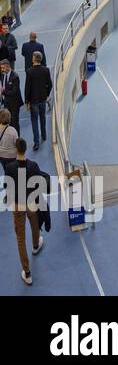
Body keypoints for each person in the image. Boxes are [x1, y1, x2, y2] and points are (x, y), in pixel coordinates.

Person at [4, 138, 48, 285]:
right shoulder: (33, 165)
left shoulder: (9, 168)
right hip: (31, 203)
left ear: (16, 150)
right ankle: (36, 246)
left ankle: (27, 272)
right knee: (35, 225)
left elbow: (8, 188)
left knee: (20, 238)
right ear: (26, 149)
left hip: (18, 205)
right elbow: (39, 184)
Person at [23, 51, 51, 151]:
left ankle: (36, 142)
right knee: (42, 117)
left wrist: (26, 101)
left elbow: (27, 88)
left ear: (34, 59)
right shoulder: (46, 70)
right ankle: (44, 136)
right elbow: (50, 84)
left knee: (34, 121)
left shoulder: (29, 71)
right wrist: (47, 94)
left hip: (33, 101)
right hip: (43, 99)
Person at [0, 60, 22, 125]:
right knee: (8, 123)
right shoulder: (3, 75)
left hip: (14, 103)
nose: (2, 70)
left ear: (8, 66)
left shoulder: (15, 76)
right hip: (6, 103)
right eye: (1, 68)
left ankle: (16, 135)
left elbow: (14, 91)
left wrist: (3, 91)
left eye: (3, 68)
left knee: (14, 122)